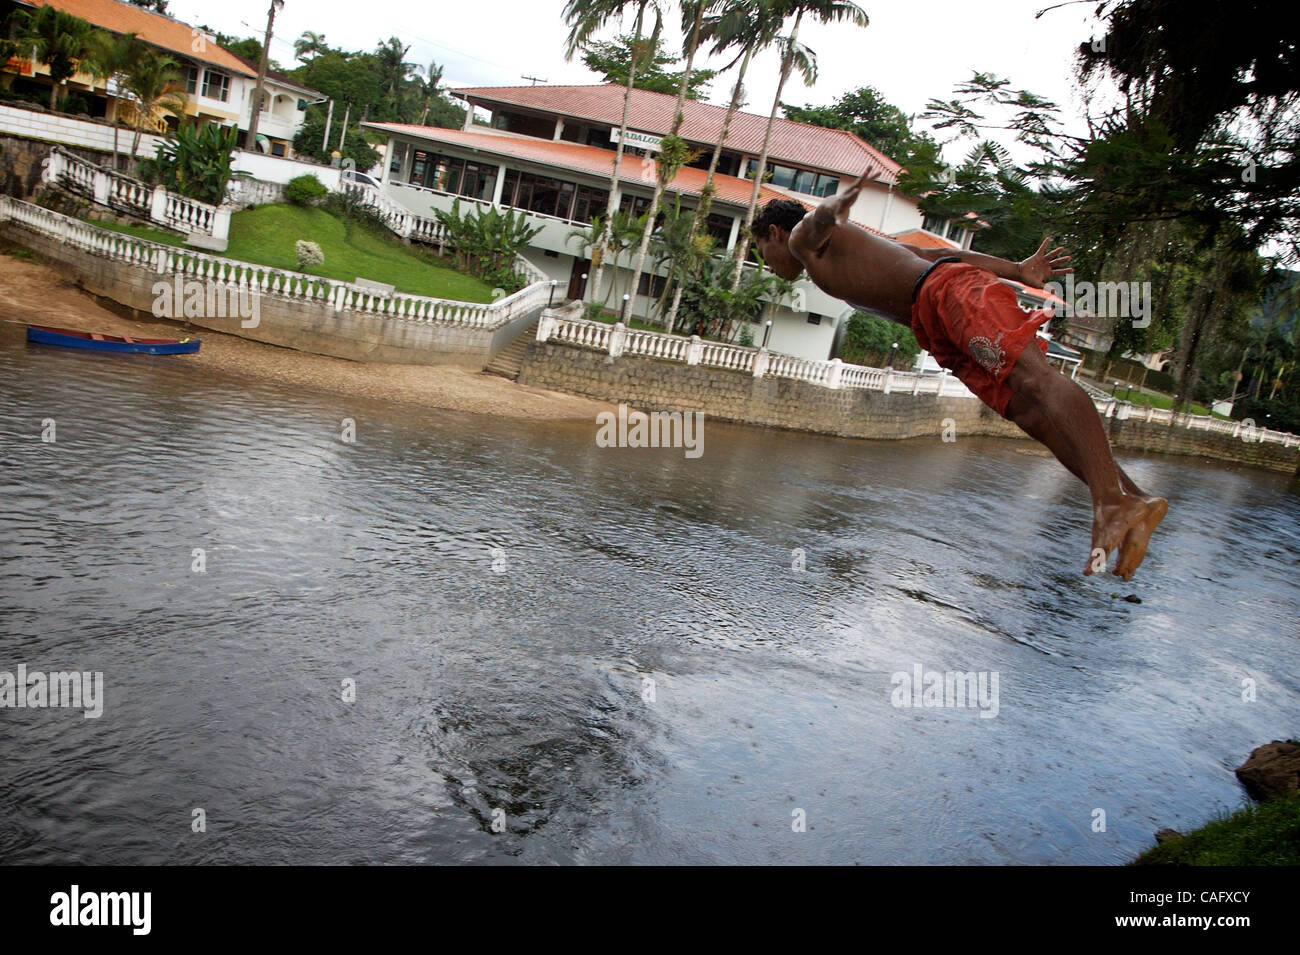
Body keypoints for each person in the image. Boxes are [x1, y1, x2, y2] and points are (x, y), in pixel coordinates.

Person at [751, 170, 1167, 580]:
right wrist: (1016, 270)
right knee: (1029, 413)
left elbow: (818, 218)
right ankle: (1134, 498)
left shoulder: (804, 239)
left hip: (950, 294)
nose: (766, 264)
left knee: (1036, 381)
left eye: (761, 251)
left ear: (774, 233)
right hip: (934, 322)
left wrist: (835, 206)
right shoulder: (850, 252)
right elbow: (937, 255)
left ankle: (1111, 501)